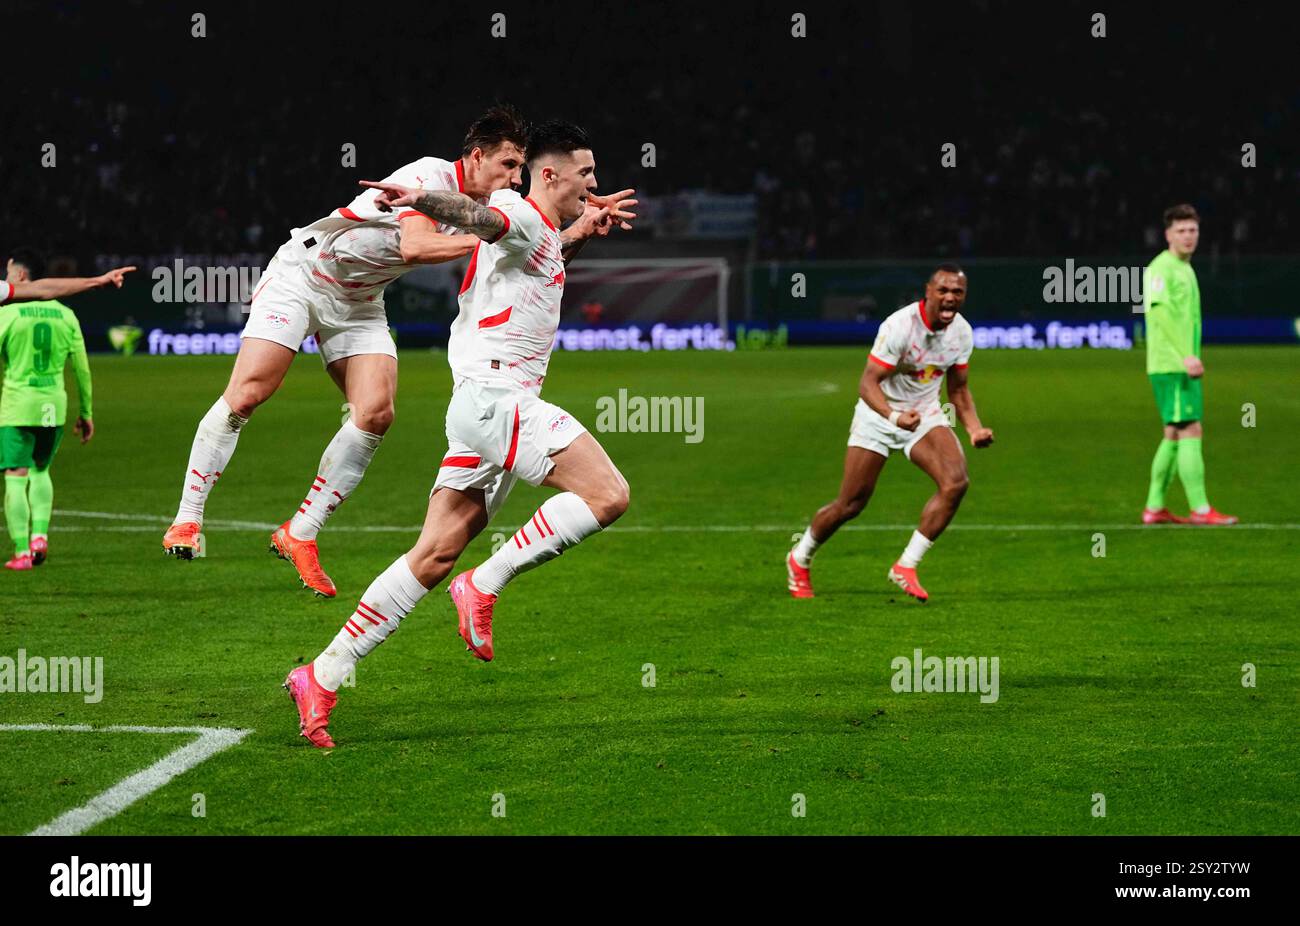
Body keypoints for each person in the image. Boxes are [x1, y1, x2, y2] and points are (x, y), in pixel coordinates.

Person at [284, 120, 637, 747]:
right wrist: (420, 199)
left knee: (434, 554)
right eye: (585, 172)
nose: (595, 182)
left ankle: (323, 673)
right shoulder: (512, 211)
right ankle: (487, 582)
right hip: (498, 401)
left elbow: (535, 255)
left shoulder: (541, 231)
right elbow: (488, 224)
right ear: (549, 175)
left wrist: (582, 229)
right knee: (607, 495)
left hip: (483, 407)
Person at [162, 106, 530, 597]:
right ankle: (187, 518)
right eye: (508, 165)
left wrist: (583, 212)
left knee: (376, 412)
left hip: (359, 300)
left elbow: (537, 229)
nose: (516, 177)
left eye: (522, 168)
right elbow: (414, 248)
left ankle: (301, 532)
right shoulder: (429, 176)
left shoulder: (483, 208)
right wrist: (489, 238)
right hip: (304, 276)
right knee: (251, 392)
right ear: (478, 157)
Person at [787, 265, 994, 603]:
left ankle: (906, 566)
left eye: (957, 292)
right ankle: (799, 558)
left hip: (924, 415)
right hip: (879, 415)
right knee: (850, 504)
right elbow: (867, 383)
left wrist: (974, 429)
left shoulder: (962, 333)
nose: (950, 297)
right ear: (927, 291)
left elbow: (959, 390)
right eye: (943, 290)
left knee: (956, 481)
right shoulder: (900, 326)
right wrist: (894, 416)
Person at [1, 250, 135, 569]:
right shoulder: (64, 316)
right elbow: (82, 368)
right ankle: (38, 537)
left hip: (17, 404)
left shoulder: (7, 313)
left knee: (16, 476)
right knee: (39, 470)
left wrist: (97, 281)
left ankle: (21, 550)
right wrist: (86, 411)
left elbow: (45, 288)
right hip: (52, 403)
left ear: (18, 275)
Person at [1140, 204, 1236, 525]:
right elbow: (1159, 313)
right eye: (1181, 231)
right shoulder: (1161, 269)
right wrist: (1186, 355)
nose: (1188, 237)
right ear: (1168, 235)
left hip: (1175, 363)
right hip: (1173, 365)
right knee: (1191, 428)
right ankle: (1200, 508)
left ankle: (1154, 508)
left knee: (1172, 432)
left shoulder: (1184, 268)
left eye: (1192, 230)